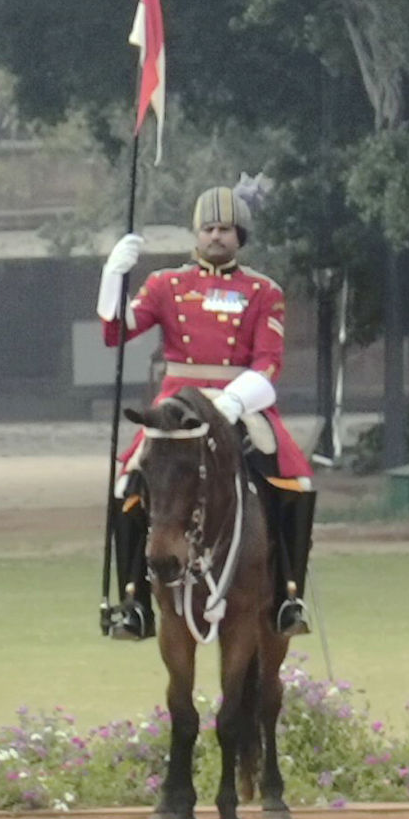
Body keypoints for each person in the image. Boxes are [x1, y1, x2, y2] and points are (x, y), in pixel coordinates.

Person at [99, 180, 313, 640]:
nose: (216, 237)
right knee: (127, 480)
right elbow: (117, 332)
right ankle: (134, 600)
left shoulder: (263, 291)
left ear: (241, 236)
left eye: (226, 229)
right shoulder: (166, 284)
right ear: (196, 234)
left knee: (296, 478)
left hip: (239, 399)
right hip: (177, 403)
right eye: (209, 228)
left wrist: (234, 400)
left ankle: (288, 596)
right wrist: (113, 277)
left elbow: (269, 360)